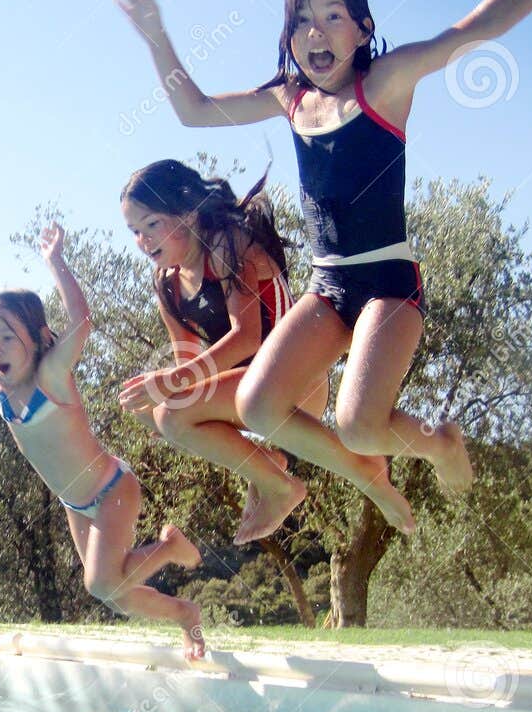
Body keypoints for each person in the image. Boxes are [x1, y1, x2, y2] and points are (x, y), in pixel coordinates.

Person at [115, 0, 532, 536]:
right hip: (329, 290)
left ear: (363, 29)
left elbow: (477, 27)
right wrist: (157, 35)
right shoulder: (289, 100)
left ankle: (438, 443)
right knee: (256, 406)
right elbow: (193, 110)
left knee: (360, 424)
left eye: (332, 16)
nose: (314, 33)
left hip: (388, 287)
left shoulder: (385, 85)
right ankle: (363, 473)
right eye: (301, 22)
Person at [0, 213, 207, 659]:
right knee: (114, 595)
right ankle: (184, 613)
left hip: (112, 488)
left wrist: (56, 261)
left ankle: (170, 551)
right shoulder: (0, 376)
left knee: (100, 582)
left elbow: (81, 322)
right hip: (76, 502)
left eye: (6, 337)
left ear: (40, 337)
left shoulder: (51, 376)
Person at [120, 158, 413, 540]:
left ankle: (322, 479)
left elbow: (247, 338)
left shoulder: (228, 245)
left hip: (296, 382)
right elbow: (188, 364)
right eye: (134, 231)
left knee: (171, 413)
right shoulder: (168, 285)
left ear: (188, 214)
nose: (143, 240)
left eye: (151, 224)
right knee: (156, 411)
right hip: (247, 396)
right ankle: (269, 464)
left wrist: (172, 387)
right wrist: (165, 395)